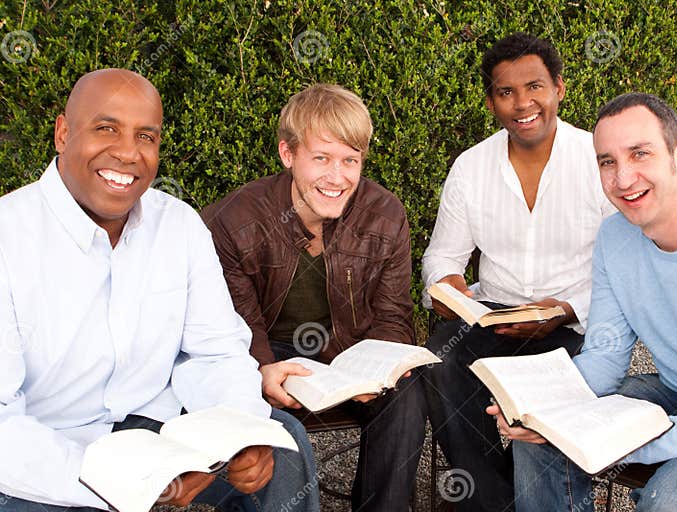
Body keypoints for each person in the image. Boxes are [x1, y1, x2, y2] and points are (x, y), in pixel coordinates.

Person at [0, 69, 319, 512]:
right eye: (106, 128)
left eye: (145, 136)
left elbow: (216, 351)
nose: (128, 152)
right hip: (48, 449)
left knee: (284, 447)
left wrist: (242, 431)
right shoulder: (8, 237)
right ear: (63, 133)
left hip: (151, 426)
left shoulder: (179, 225)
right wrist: (117, 481)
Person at [496, 92, 677, 511]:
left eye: (639, 154)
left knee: (669, 501)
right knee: (543, 440)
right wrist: (538, 406)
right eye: (608, 161)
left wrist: (615, 443)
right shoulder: (613, 238)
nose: (623, 179)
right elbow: (605, 358)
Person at [203, 83, 427, 512]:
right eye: (321, 158)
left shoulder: (385, 213)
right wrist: (264, 369)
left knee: (406, 395)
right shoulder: (234, 221)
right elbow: (235, 325)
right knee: (283, 430)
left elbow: (393, 314)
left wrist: (376, 371)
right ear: (289, 155)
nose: (336, 176)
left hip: (348, 351)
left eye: (350, 161)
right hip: (270, 353)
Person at [421, 32, 614, 511]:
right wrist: (446, 288)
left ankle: (517, 497)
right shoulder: (470, 168)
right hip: (494, 314)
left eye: (535, 87)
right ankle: (497, 501)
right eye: (506, 92)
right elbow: (442, 256)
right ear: (491, 102)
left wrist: (567, 308)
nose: (523, 103)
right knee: (439, 363)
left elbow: (627, 270)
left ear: (559, 90)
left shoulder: (597, 162)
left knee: (547, 398)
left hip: (573, 324)